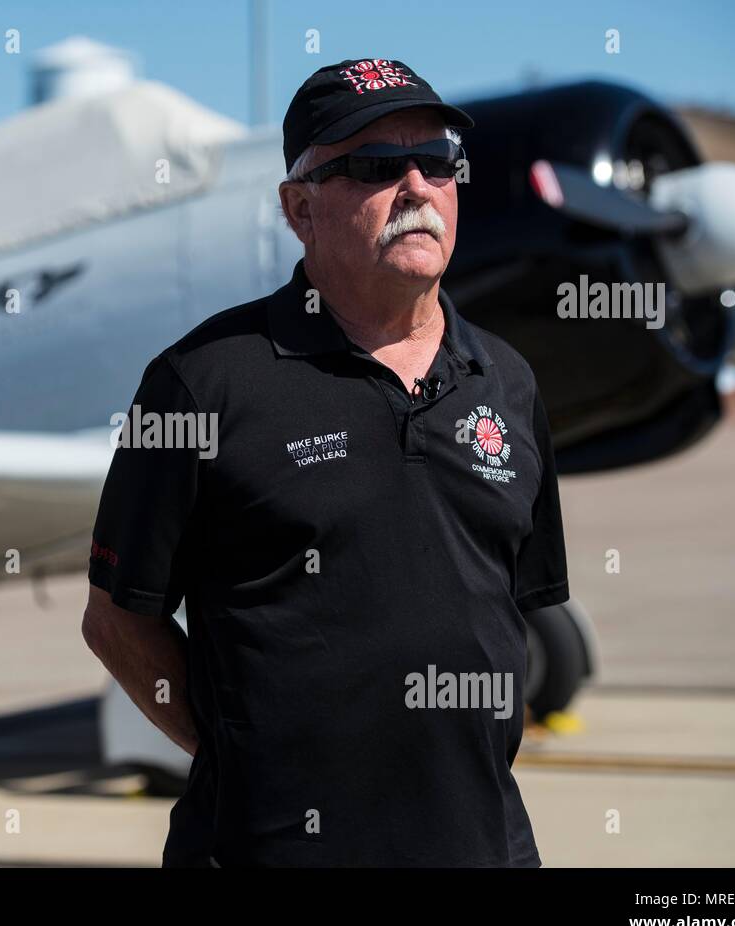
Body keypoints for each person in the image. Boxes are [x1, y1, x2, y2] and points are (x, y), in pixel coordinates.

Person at [82, 58, 569, 867]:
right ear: (299, 208)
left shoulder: (508, 382)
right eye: (376, 166)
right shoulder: (199, 383)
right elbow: (116, 618)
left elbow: (514, 607)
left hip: (485, 848)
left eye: (438, 161)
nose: (417, 185)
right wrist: (243, 757)